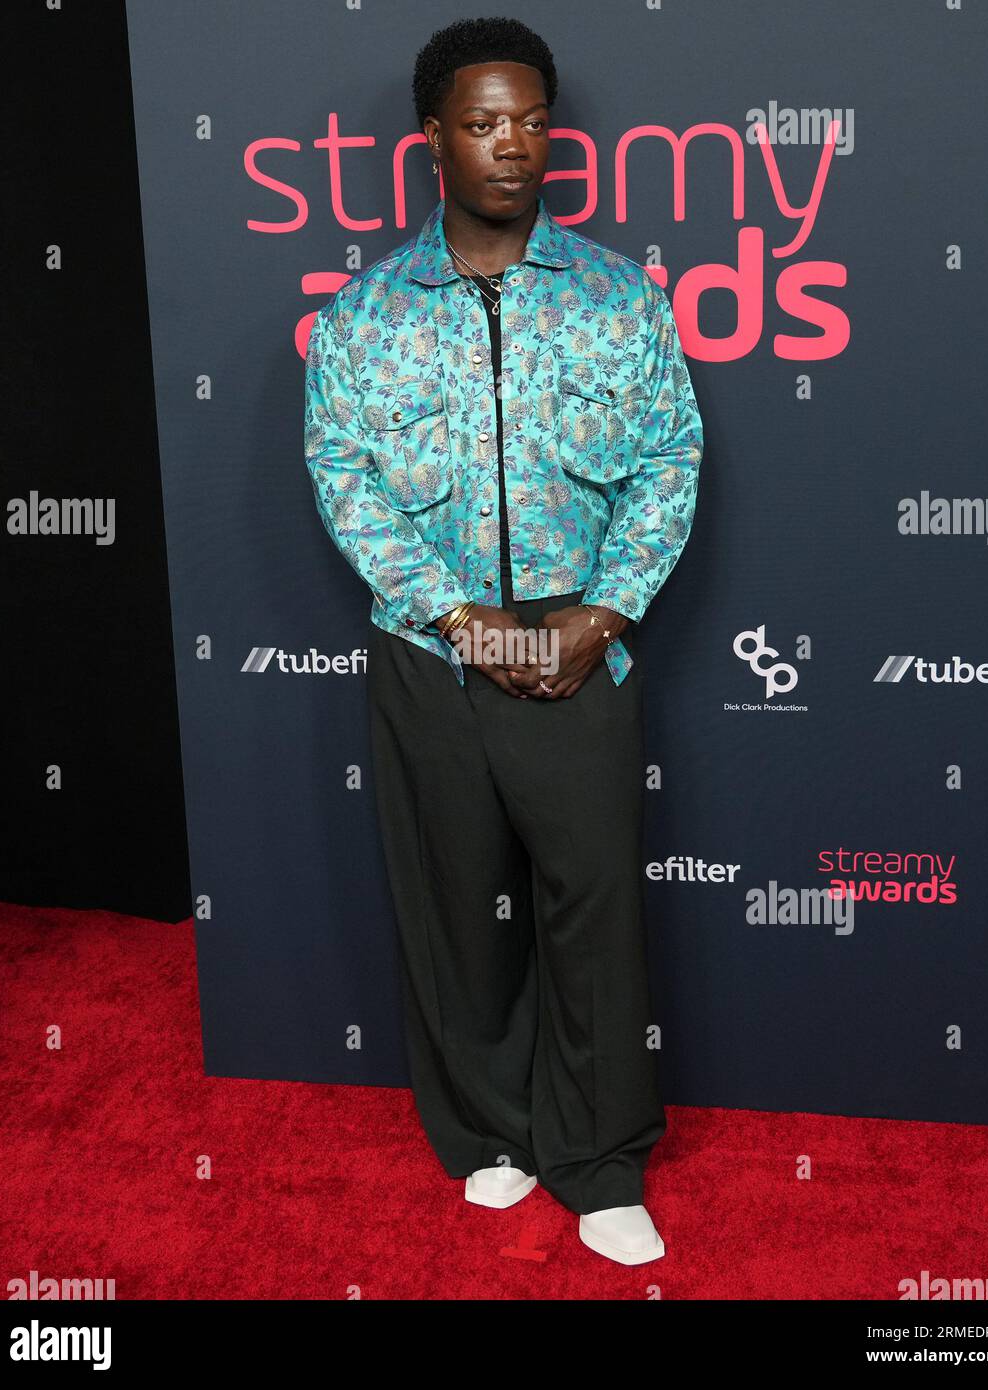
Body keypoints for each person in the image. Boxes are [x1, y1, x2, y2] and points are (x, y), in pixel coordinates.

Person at [304, 16, 703, 1265]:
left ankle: (596, 1158)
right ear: (433, 140)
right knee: (458, 912)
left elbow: (668, 456)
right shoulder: (367, 312)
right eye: (482, 123)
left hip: (579, 651)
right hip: (435, 658)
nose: (512, 146)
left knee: (590, 912)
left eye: (530, 121)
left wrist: (608, 609)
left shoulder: (613, 294)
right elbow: (342, 474)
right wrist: (453, 617)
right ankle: (491, 1136)